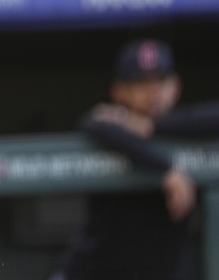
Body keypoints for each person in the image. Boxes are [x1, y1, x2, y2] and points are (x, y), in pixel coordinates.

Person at [53, 38, 219, 280]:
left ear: (176, 86)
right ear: (119, 91)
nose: (154, 91)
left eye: (161, 81)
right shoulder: (109, 126)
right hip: (92, 271)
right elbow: (93, 123)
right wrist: (167, 171)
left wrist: (152, 126)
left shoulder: (184, 128)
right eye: (141, 82)